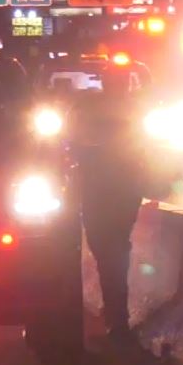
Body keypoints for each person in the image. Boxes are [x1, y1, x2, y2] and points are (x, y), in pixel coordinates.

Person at [72, 67, 148, 338]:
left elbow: (145, 149)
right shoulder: (94, 107)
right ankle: (116, 313)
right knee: (111, 250)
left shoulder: (133, 110)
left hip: (112, 190)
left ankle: (117, 314)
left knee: (111, 250)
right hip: (108, 189)